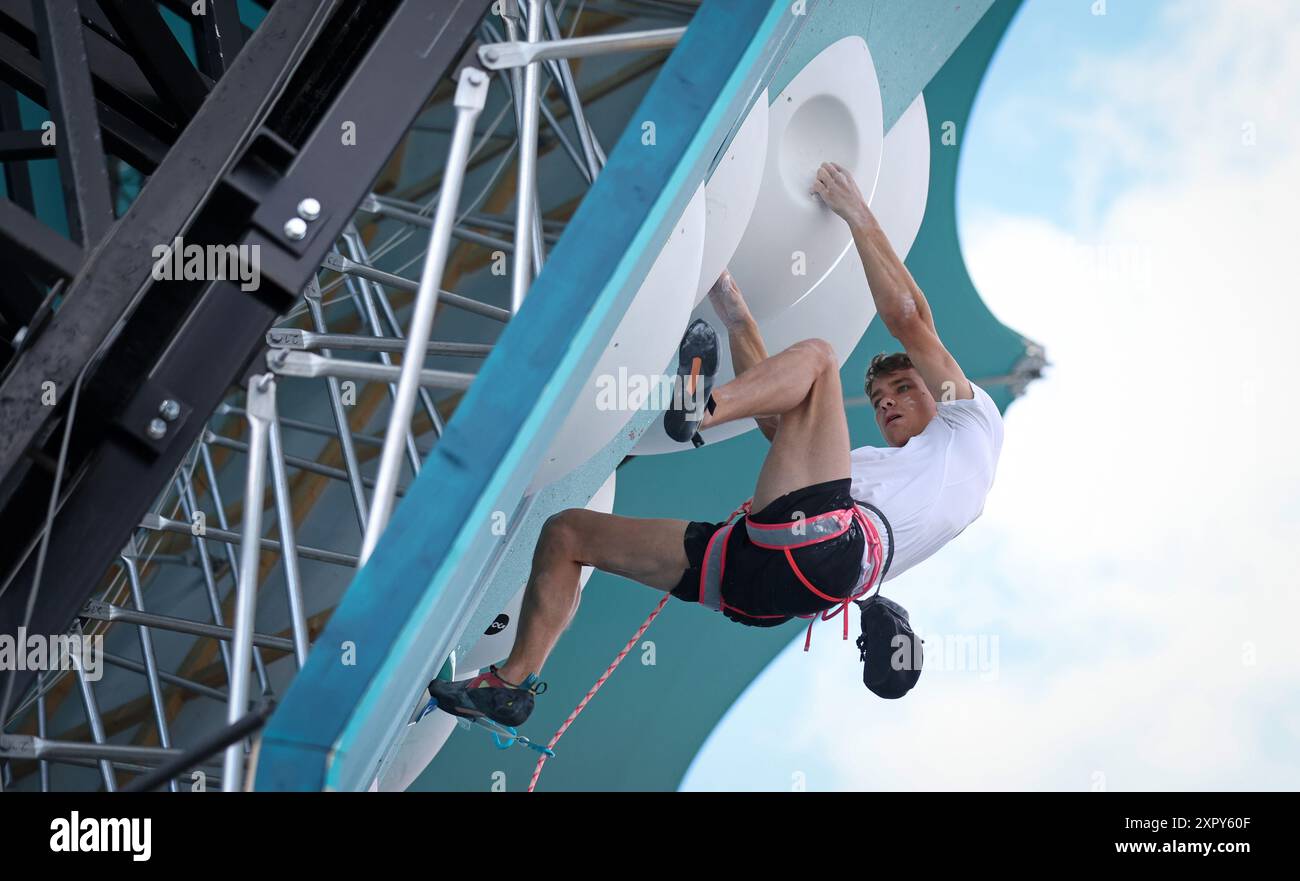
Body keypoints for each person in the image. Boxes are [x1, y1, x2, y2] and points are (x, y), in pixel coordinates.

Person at [430, 161, 1004, 726]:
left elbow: (909, 317)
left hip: (823, 552)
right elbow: (782, 427)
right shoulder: (871, 471)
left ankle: (699, 410)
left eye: (901, 388)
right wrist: (735, 315)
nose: (885, 402)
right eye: (878, 396)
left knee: (821, 358)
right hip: (765, 587)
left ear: (935, 388)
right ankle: (510, 686)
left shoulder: (972, 423)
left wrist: (857, 213)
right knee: (567, 534)